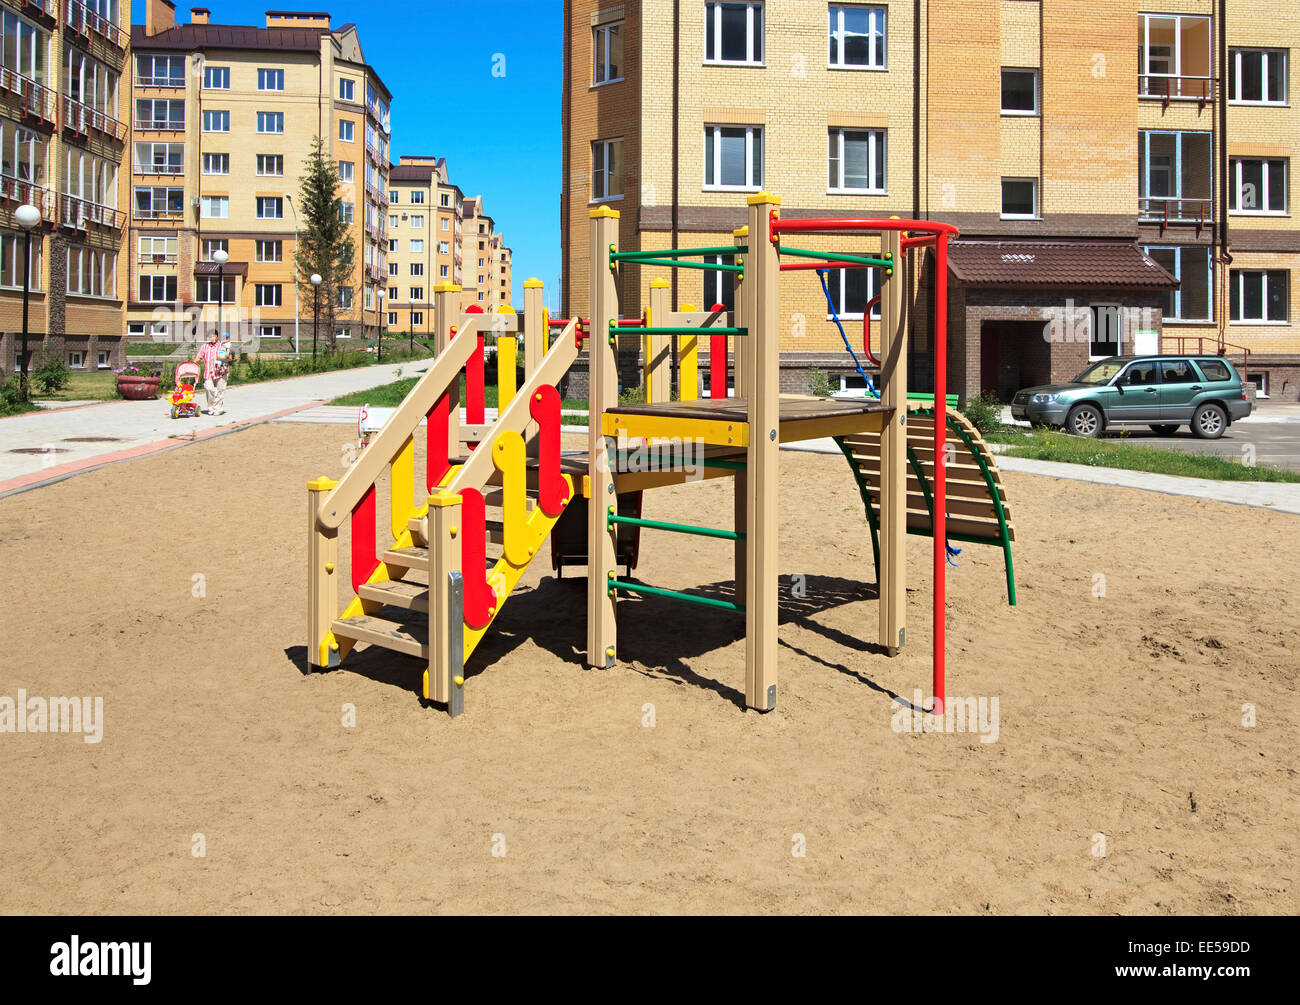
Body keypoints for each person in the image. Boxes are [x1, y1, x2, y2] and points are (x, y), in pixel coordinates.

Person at [193, 331, 227, 415]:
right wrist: (192, 364)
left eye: (213, 336)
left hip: (220, 372)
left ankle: (218, 409)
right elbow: (199, 357)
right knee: (208, 388)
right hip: (208, 372)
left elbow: (227, 357)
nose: (211, 338)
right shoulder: (205, 346)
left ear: (217, 336)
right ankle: (211, 407)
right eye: (210, 336)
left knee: (220, 390)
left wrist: (222, 361)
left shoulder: (222, 346)